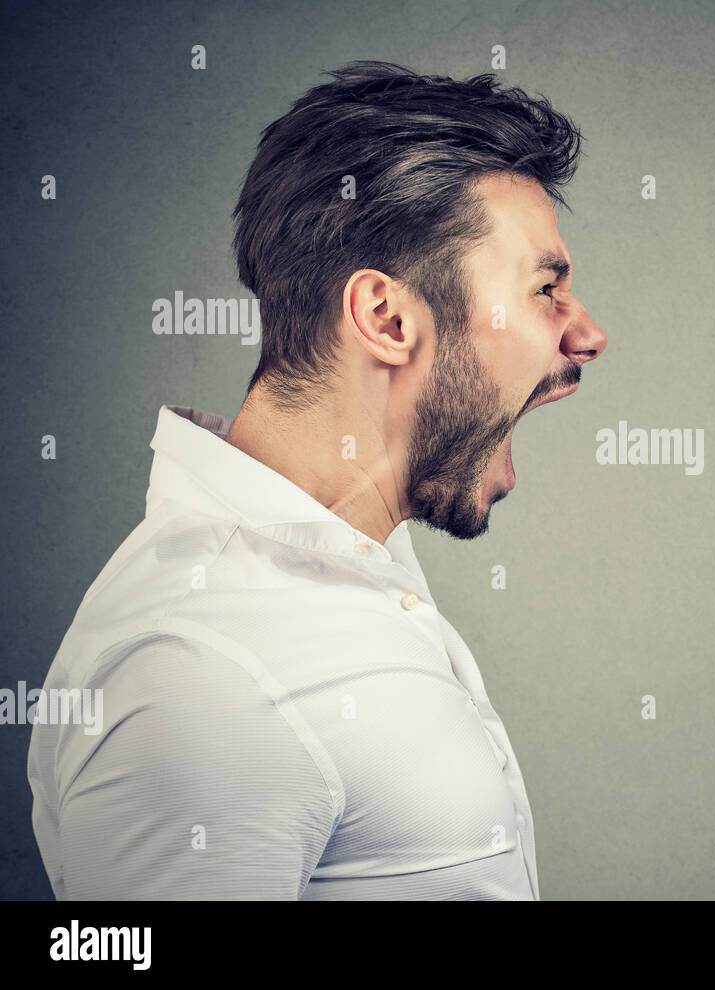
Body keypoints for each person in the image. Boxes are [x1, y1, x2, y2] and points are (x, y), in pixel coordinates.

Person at [27, 60, 607, 900]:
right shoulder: (199, 677)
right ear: (387, 319)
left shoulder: (345, 565)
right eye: (547, 288)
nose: (587, 334)